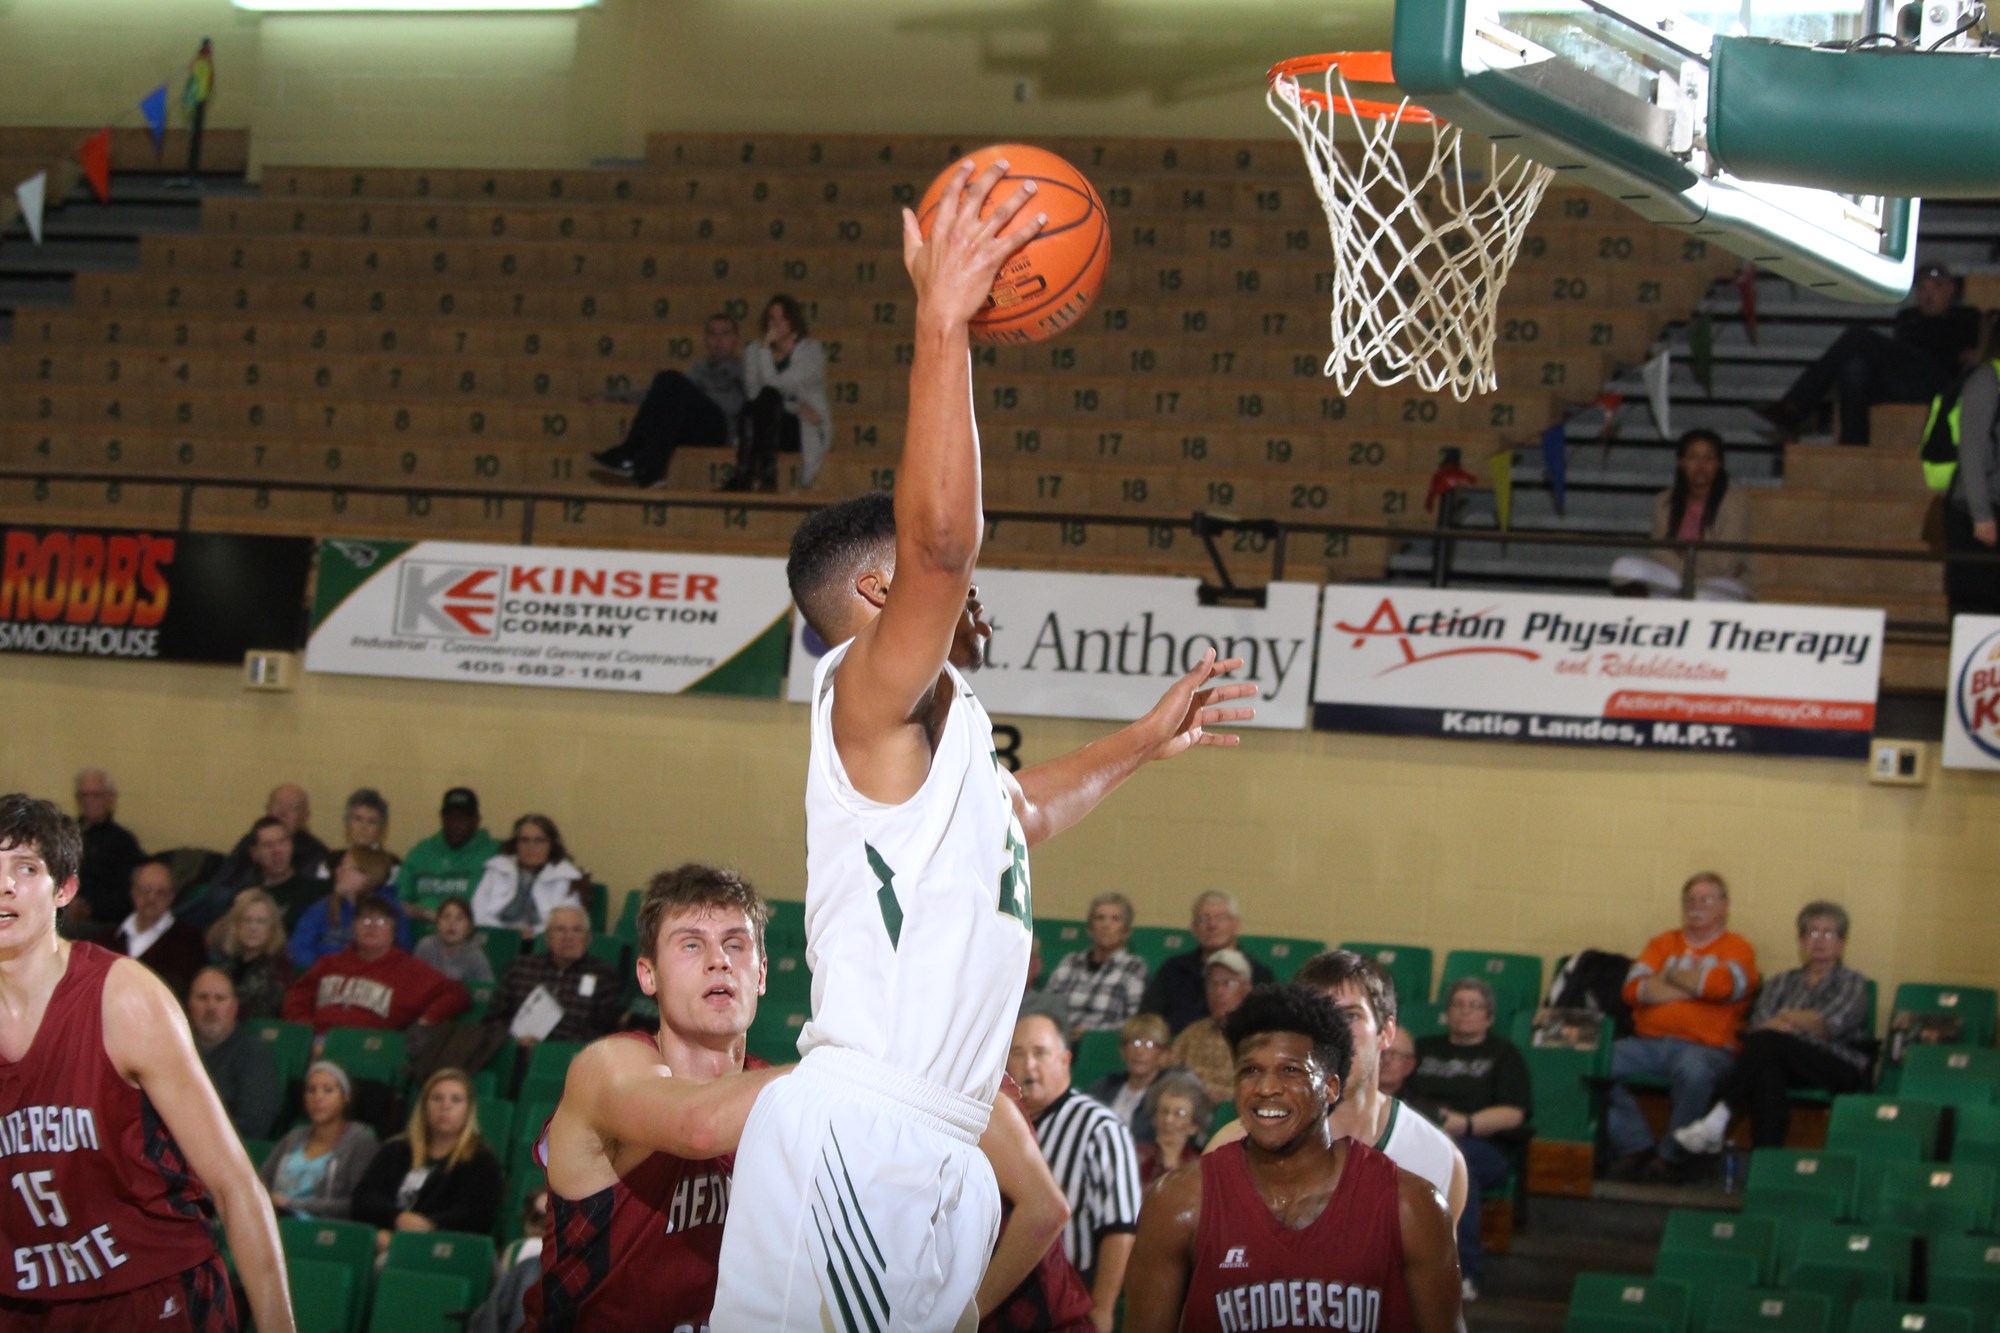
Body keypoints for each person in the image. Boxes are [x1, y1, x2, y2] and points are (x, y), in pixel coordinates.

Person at [713, 158, 1255, 1333]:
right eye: (918, 581)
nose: (972, 593)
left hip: (936, 1143)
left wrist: (1140, 743)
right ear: (875, 586)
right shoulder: (861, 693)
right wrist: (940, 326)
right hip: (868, 1132)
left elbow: (1025, 816)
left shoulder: (944, 745)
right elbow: (945, 546)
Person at [0, 793, 293, 1330]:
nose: (4, 885)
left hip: (148, 1290)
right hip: (27, 1300)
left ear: (65, 890)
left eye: (25, 867)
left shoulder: (124, 998)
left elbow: (235, 1185)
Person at [1125, 983, 1463, 1332]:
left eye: (1291, 1070)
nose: (1266, 1088)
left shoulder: (1411, 1205)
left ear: (1331, 1088)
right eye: (1251, 1071)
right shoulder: (1178, 1202)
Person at [1205, 951, 1471, 1234]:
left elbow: (1435, 1275)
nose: (1334, 1031)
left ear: (1387, 1032)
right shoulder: (1232, 1148)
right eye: (1320, 1013)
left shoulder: (1437, 1157)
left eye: (1350, 1016)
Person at [1675, 901, 1873, 1156]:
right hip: (1784, 1059)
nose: (1820, 941)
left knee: (1770, 1045)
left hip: (1835, 1063)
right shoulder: (1781, 982)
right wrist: (1795, 1024)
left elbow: (1826, 1025)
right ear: (1801, 941)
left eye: (1828, 933)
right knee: (1768, 1071)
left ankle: (1719, 1117)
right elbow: (1758, 1027)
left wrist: (1785, 1018)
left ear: (1841, 943)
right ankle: (1765, 1162)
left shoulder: (1853, 983)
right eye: (1812, 933)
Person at [1606, 872, 1760, 1183]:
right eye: (1690, 900)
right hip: (1649, 1044)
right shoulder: (1663, 943)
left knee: (1695, 1072)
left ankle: (1670, 1157)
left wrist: (1670, 976)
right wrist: (1696, 987)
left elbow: (1724, 986)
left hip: (1707, 1049)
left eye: (1706, 899)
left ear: (1724, 906)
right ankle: (1635, 1145)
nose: (1696, 906)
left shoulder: (1737, 948)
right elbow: (1633, 990)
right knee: (1598, 1061)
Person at [1008, 1011, 1144, 1333]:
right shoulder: (997, 1126)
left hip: (1070, 1296)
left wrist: (1102, 1309)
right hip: (1007, 1295)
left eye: (1040, 1053)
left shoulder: (1101, 1128)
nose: (1029, 1066)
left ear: (1065, 1060)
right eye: (1018, 1054)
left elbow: (1121, 1228)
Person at [1405, 977, 1533, 1301]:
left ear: (1489, 1017)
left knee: (1457, 1163)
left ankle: (1465, 1271)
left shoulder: (1503, 1054)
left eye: (1474, 1005)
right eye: (1457, 1004)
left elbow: (1514, 1113)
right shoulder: (1423, 1049)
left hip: (1483, 1147)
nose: (1465, 1011)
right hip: (1421, 1137)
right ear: (1446, 1012)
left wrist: (1465, 1123)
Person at [1760, 262, 1982, 444]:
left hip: (1940, 381)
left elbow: (1983, 352)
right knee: (1854, 368)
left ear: (1951, 289)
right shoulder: (1909, 318)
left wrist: (1980, 356)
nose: (1928, 295)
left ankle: (1794, 407)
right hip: (1907, 381)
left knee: (1857, 336)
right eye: (1923, 288)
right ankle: (1853, 449)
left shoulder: (1968, 317)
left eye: (1936, 287)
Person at [589, 314, 749, 489]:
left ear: (735, 339)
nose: (718, 341)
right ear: (705, 340)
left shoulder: (744, 370)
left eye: (725, 334)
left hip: (720, 427)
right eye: (712, 334)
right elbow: (654, 395)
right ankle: (647, 471)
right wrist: (612, 396)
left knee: (670, 379)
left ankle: (630, 454)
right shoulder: (699, 369)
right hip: (692, 425)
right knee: (665, 381)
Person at [352, 1068, 503, 1247]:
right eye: (437, 1098)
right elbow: (363, 1198)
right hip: (384, 1239)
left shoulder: (481, 1160)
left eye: (456, 1100)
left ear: (468, 1110)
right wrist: (397, 1217)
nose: (445, 1106)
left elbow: (476, 1215)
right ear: (424, 1106)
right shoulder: (395, 1150)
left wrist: (429, 1225)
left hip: (439, 1246)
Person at [283, 894, 471, 1035]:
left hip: (372, 1053)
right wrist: (306, 1029)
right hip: (319, 1048)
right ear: (353, 927)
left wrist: (425, 1021)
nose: (371, 926)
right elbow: (297, 998)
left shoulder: (410, 970)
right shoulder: (329, 964)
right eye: (364, 920)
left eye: (380, 921)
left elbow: (456, 994)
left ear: (393, 930)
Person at [1609, 428, 1753, 601]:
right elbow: (1659, 552)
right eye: (1693, 458)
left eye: (1709, 458)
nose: (1701, 466)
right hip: (1676, 578)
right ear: (1681, 462)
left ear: (1719, 464)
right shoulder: (1663, 500)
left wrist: (1685, 557)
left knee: (1700, 596)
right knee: (1623, 567)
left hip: (1723, 581)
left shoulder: (1735, 501)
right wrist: (1685, 568)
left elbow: (1725, 562)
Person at [724, 293, 832, 493]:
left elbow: (776, 384)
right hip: (766, 421)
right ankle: (757, 475)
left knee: (767, 398)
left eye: (782, 318)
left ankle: (750, 474)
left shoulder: (810, 352)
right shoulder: (754, 350)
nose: (776, 324)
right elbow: (753, 392)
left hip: (800, 426)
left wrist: (765, 350)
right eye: (772, 319)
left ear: (793, 321)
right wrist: (794, 405)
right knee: (754, 405)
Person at [484, 904, 623, 1050]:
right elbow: (493, 1020)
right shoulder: (519, 969)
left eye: (576, 930)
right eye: (560, 930)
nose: (568, 937)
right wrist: (514, 1040)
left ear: (588, 938)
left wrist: (549, 1050)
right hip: (517, 1050)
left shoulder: (605, 976)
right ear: (547, 937)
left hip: (571, 1056)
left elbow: (606, 1032)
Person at [1141, 891, 1276, 1036]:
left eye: (1220, 918)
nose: (1212, 925)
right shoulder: (1173, 970)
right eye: (1204, 919)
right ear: (1193, 928)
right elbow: (1147, 1019)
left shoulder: (1257, 974)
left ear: (1236, 925)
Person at [258, 1062, 379, 1219]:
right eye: (311, 1090)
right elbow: (262, 1180)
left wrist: (291, 1205)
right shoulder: (293, 1136)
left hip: (320, 1229)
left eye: (328, 1090)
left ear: (346, 1097)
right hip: (275, 1220)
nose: (318, 1097)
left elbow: (357, 1203)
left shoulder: (361, 1142)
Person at [190, 967, 281, 1141]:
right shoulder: (175, 1050)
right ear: (189, 1004)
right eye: (202, 998)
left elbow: (254, 1124)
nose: (211, 1007)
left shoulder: (255, 1056)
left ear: (235, 1006)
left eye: (220, 998)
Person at [1043, 892, 1148, 1039]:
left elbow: (1134, 1022)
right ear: (1090, 928)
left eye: (1115, 919)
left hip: (1101, 1045)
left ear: (1127, 931)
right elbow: (1046, 1006)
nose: (1106, 925)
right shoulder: (1070, 963)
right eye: (1100, 918)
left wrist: (1091, 1035)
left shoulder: (1133, 968)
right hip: (1058, 1038)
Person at [1941, 355, 2000, 618]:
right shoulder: (1987, 381)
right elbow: (1971, 451)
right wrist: (1981, 514)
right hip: (1978, 510)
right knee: (1976, 608)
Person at [186, 817, 318, 932]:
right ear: (255, 854)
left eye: (282, 842)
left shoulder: (313, 890)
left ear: (291, 846)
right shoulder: (244, 893)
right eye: (267, 845)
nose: (277, 851)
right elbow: (217, 939)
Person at [289, 847, 411, 969]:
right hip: (324, 977)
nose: (338, 871)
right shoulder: (322, 908)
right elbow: (300, 948)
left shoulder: (389, 910)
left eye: (346, 867)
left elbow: (398, 955)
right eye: (340, 866)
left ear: (367, 875)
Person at [470, 815, 587, 939]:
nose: (531, 847)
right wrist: (508, 934)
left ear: (552, 845)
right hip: (496, 938)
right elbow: (477, 913)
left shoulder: (565, 876)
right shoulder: (497, 868)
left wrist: (533, 933)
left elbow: (567, 922)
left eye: (539, 840)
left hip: (544, 944)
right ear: (516, 844)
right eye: (524, 840)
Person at [110, 858, 211, 1001]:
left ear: (172, 897)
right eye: (146, 890)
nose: (152, 898)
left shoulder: (190, 942)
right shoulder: (106, 939)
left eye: (161, 892)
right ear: (133, 892)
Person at [1166, 947, 1256, 1104]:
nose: (1218, 991)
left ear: (1247, 989)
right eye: (1213, 984)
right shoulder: (1193, 1032)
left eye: (1228, 983)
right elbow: (1168, 1075)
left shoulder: (1259, 1037)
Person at [399, 788, 501, 922]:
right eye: (450, 817)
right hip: (419, 931)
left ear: (476, 820)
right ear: (442, 818)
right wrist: (425, 914)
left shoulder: (495, 853)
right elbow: (399, 901)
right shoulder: (421, 852)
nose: (455, 824)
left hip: (471, 935)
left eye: (462, 818)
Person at [211, 785, 328, 894]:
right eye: (278, 805)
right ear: (267, 809)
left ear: (305, 816)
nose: (282, 813)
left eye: (292, 808)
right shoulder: (249, 841)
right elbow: (222, 882)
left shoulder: (316, 853)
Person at [70, 766, 144, 933]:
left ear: (110, 799)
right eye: (84, 795)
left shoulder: (123, 842)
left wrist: (89, 909)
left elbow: (128, 895)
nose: (89, 801)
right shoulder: (65, 834)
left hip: (98, 922)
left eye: (95, 795)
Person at [206, 888, 296, 1021]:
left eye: (260, 921)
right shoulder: (225, 967)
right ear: (237, 926)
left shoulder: (280, 969)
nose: (253, 927)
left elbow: (264, 1012)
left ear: (272, 929)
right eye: (247, 920)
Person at [1083, 1012, 1170, 1137]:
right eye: (1134, 1042)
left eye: (1149, 1044)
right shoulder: (1103, 1087)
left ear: (1164, 1055)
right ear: (1122, 1051)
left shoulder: (1167, 1096)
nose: (1139, 1051)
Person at [1135, 1069, 1211, 1188]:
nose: (1168, 1120)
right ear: (1154, 1118)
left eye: (1179, 1114)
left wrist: (1169, 1162)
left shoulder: (1201, 1169)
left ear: (1193, 1126)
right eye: (1164, 1111)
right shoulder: (1138, 1157)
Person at [412, 894, 494, 988]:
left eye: (459, 918)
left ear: (469, 928)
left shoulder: (476, 956)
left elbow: (485, 992)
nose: (451, 923)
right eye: (446, 917)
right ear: (437, 923)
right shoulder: (425, 946)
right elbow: (413, 984)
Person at [321, 788, 398, 883]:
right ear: (347, 823)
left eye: (371, 822)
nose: (363, 827)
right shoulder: (330, 863)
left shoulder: (393, 867)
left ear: (382, 829)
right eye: (358, 819)